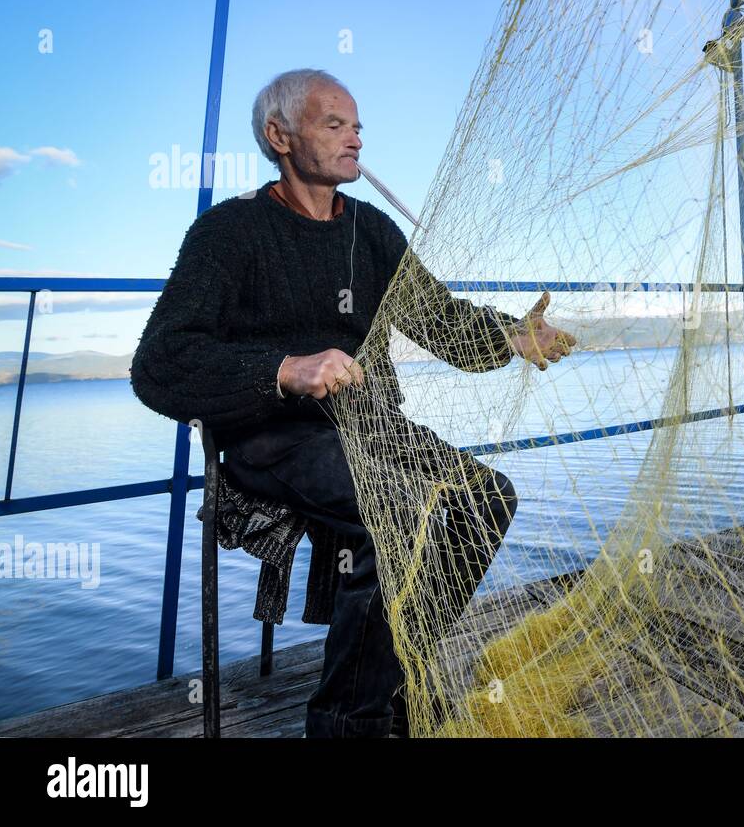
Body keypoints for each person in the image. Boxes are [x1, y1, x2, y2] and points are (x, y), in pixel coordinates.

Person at [129, 68, 576, 737]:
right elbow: (158, 364)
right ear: (279, 137)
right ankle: (348, 720)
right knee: (397, 508)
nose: (355, 137)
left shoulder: (372, 231)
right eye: (333, 124)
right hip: (270, 436)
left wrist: (513, 334)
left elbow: (443, 321)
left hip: (368, 427)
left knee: (488, 497)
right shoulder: (229, 233)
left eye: (358, 125)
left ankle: (395, 672)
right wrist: (282, 370)